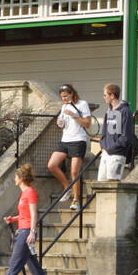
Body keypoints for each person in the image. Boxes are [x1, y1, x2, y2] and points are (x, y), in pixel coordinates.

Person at [0, 163, 54, 275]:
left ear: (21, 178)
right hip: (24, 230)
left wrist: (32, 232)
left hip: (26, 233)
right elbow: (25, 214)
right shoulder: (24, 193)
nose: (14, 179)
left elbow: (33, 213)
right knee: (34, 266)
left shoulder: (30, 192)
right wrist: (13, 219)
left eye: (15, 177)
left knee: (15, 262)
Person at [47, 83, 92, 211]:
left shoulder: (82, 104)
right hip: (65, 140)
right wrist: (59, 123)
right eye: (62, 97)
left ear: (72, 93)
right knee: (52, 165)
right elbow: (63, 124)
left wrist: (74, 115)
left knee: (74, 171)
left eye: (66, 96)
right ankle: (67, 187)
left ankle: (76, 199)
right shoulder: (64, 106)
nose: (64, 99)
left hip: (78, 140)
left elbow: (87, 123)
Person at [97, 84, 136, 181]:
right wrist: (103, 145)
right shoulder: (109, 111)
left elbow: (126, 135)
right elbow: (104, 132)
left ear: (112, 96)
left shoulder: (125, 111)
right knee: (101, 182)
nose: (104, 97)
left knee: (113, 181)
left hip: (117, 153)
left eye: (105, 95)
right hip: (106, 152)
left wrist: (114, 146)